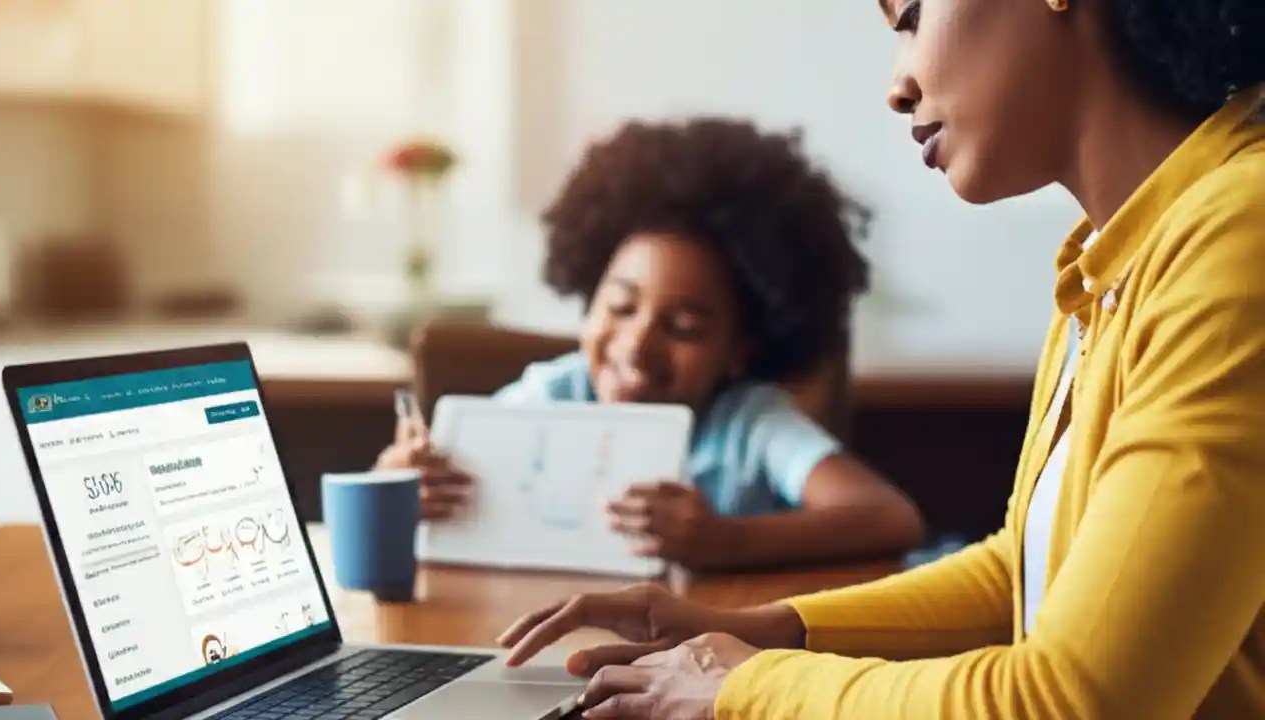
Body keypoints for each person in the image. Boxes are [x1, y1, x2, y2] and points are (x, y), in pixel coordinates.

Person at [498, 0, 1265, 718]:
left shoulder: (1240, 232)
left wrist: (747, 685)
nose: (897, 86)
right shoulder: (1111, 266)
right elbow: (1020, 575)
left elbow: (1077, 700)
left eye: (912, 15)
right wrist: (757, 629)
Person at [373, 118, 925, 571]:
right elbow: (417, 480)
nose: (637, 347)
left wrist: (728, 542)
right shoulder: (552, 394)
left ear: (741, 348)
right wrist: (399, 482)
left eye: (683, 327)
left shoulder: (748, 425)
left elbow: (890, 516)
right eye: (619, 307)